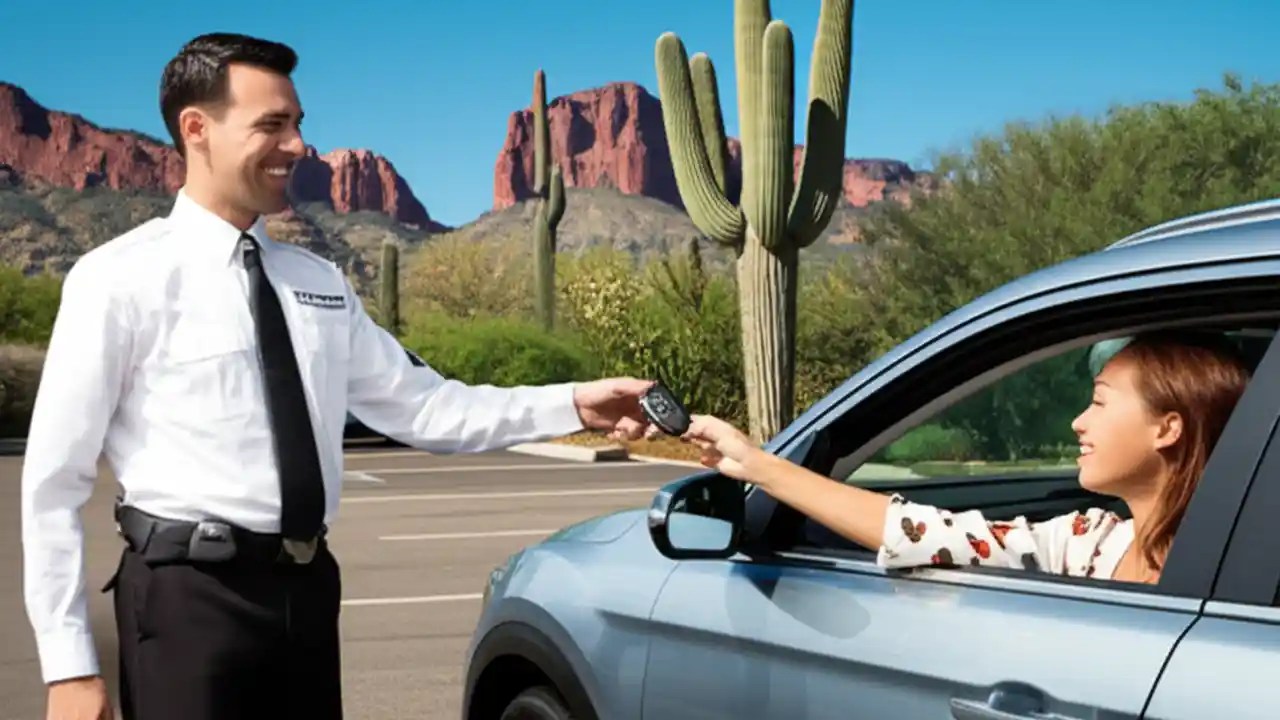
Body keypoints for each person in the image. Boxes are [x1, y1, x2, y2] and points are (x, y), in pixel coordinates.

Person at [21, 32, 658, 720]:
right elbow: (54, 483)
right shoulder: (117, 279)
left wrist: (574, 404)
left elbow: (426, 407)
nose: (297, 145)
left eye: (298, 123)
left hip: (307, 595)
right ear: (196, 129)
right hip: (187, 604)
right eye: (272, 124)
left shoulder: (318, 282)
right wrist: (69, 666)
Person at [679, 331, 1252, 585]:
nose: (1078, 421)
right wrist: (757, 465)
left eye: (1099, 402)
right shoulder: (1089, 540)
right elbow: (925, 532)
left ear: (1168, 428)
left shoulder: (1253, 559)